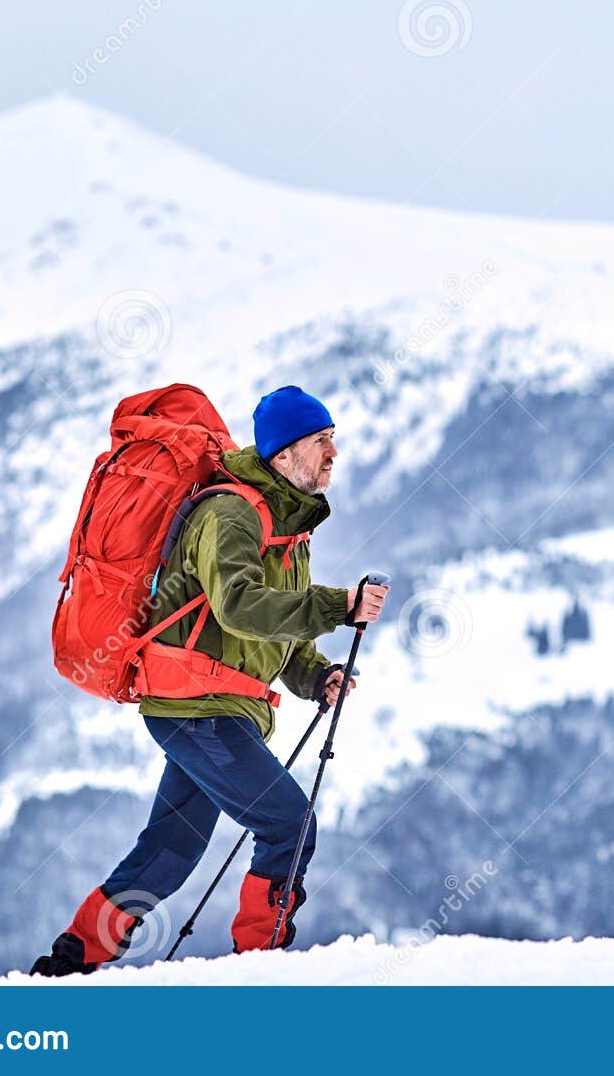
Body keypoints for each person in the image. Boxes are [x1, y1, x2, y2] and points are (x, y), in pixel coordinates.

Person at [31, 385, 388, 976]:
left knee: (170, 851)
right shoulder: (231, 514)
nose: (332, 453)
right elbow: (242, 606)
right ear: (282, 455)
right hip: (196, 706)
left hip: (209, 705)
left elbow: (274, 628)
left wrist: (315, 673)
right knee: (288, 825)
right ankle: (260, 967)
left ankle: (70, 963)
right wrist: (339, 605)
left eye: (333, 441)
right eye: (320, 441)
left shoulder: (285, 527)